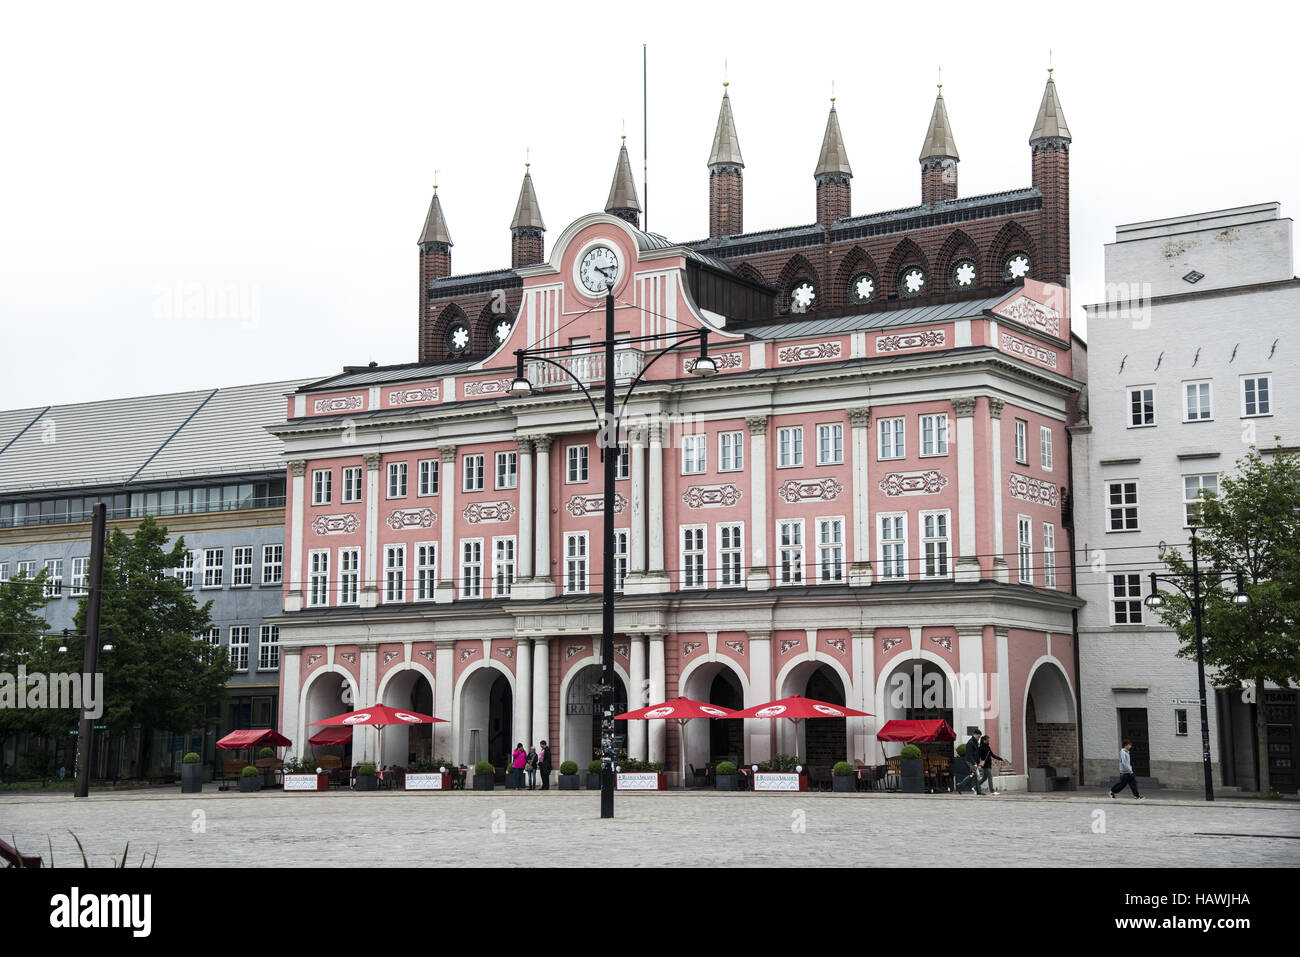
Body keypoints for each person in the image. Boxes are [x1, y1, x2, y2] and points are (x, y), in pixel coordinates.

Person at [955, 728, 984, 794]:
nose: (979, 738)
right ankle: (978, 791)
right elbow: (970, 755)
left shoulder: (976, 742)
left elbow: (976, 753)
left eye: (980, 737)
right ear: (975, 734)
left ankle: (960, 785)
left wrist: (978, 762)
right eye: (978, 736)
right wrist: (974, 763)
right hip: (970, 762)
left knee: (973, 775)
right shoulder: (970, 743)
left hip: (973, 762)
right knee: (975, 775)